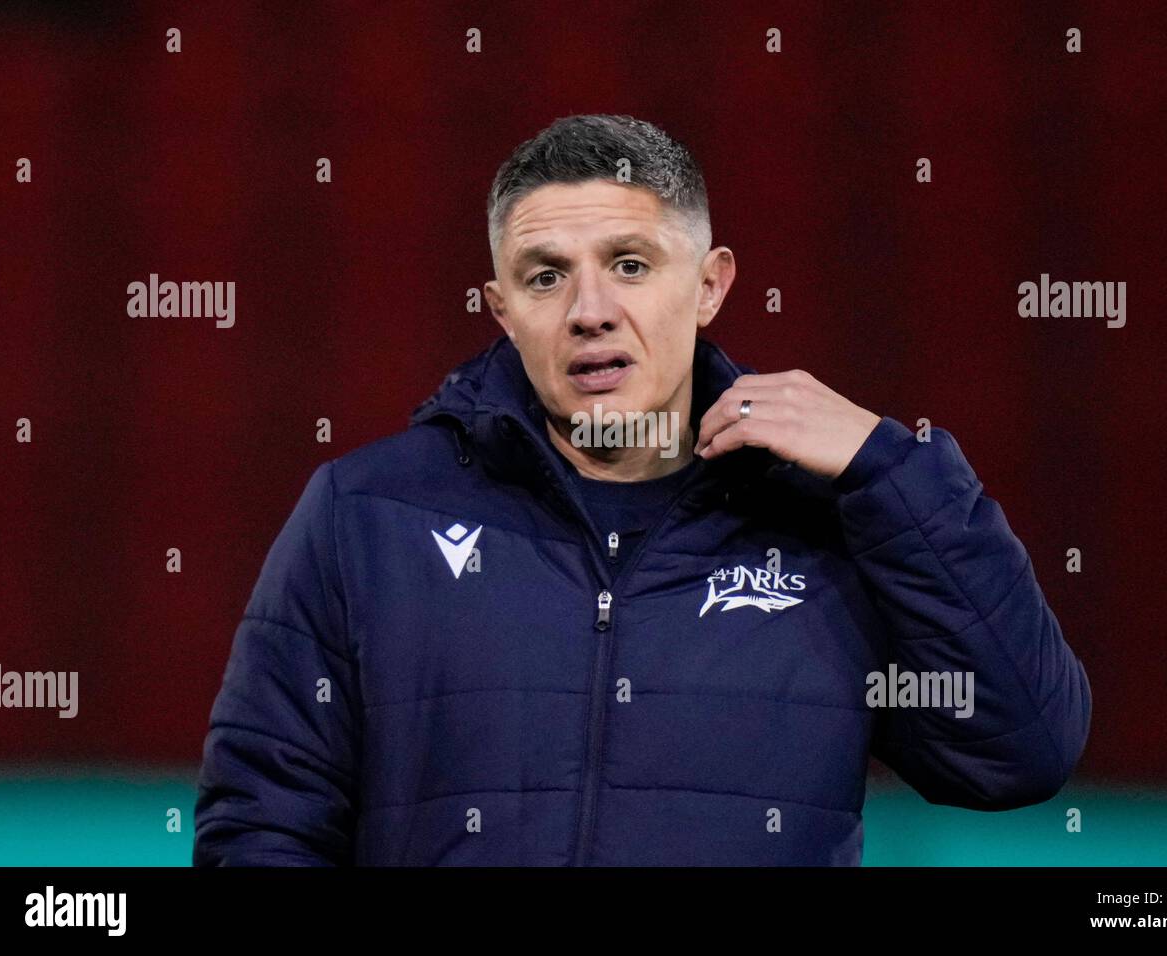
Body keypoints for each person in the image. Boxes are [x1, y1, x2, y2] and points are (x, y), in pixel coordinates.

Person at [193, 113, 1092, 866]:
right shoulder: (369, 515)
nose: (589, 309)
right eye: (546, 276)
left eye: (630, 264)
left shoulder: (834, 524)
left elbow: (1019, 752)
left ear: (710, 286)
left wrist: (897, 475)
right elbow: (264, 825)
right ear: (503, 310)